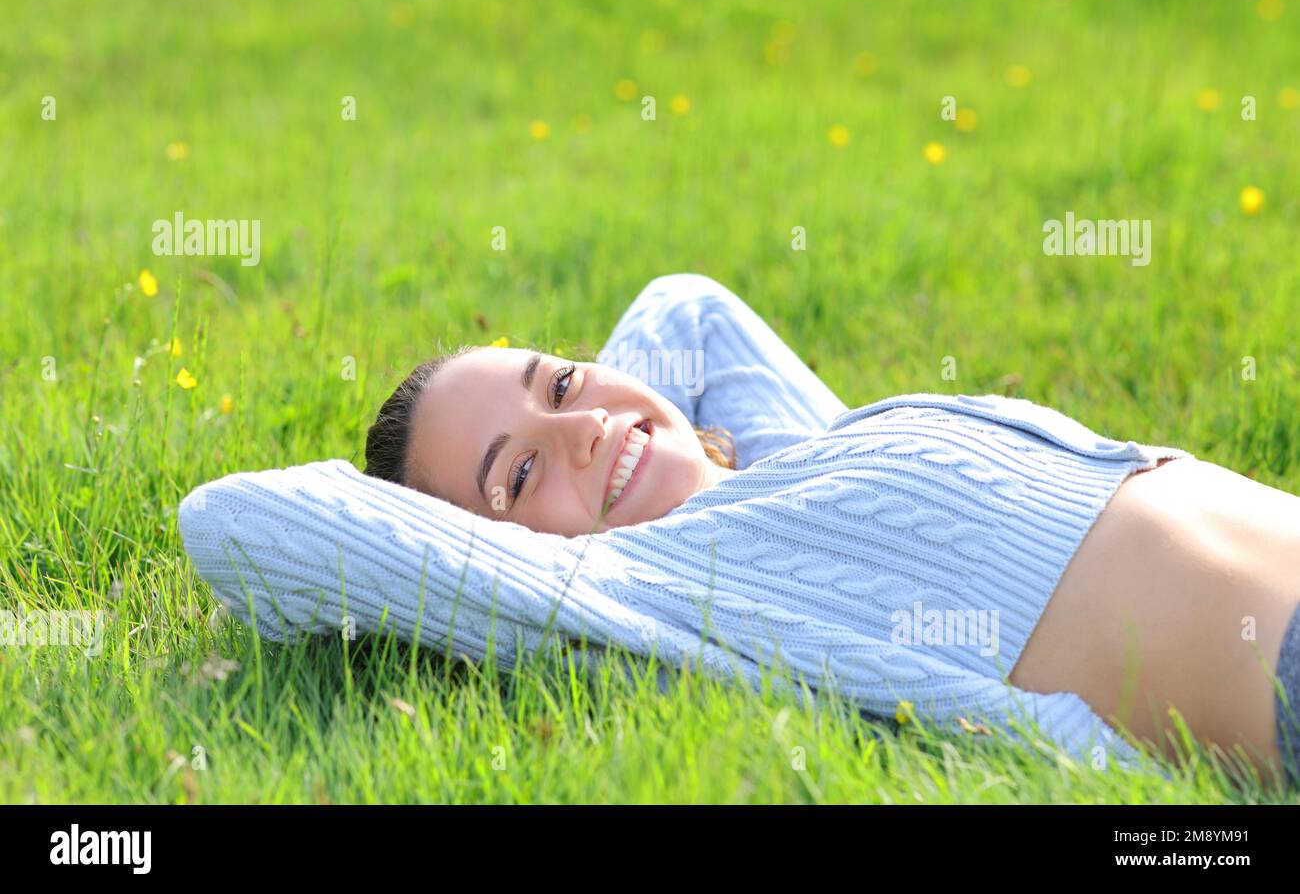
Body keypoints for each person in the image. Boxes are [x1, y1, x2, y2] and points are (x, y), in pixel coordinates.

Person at [358, 273, 1300, 788]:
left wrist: (649, 437)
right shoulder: (660, 583)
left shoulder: (806, 465)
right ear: (499, 556)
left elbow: (687, 306)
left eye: (561, 381)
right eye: (518, 475)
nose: (581, 427)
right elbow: (240, 522)